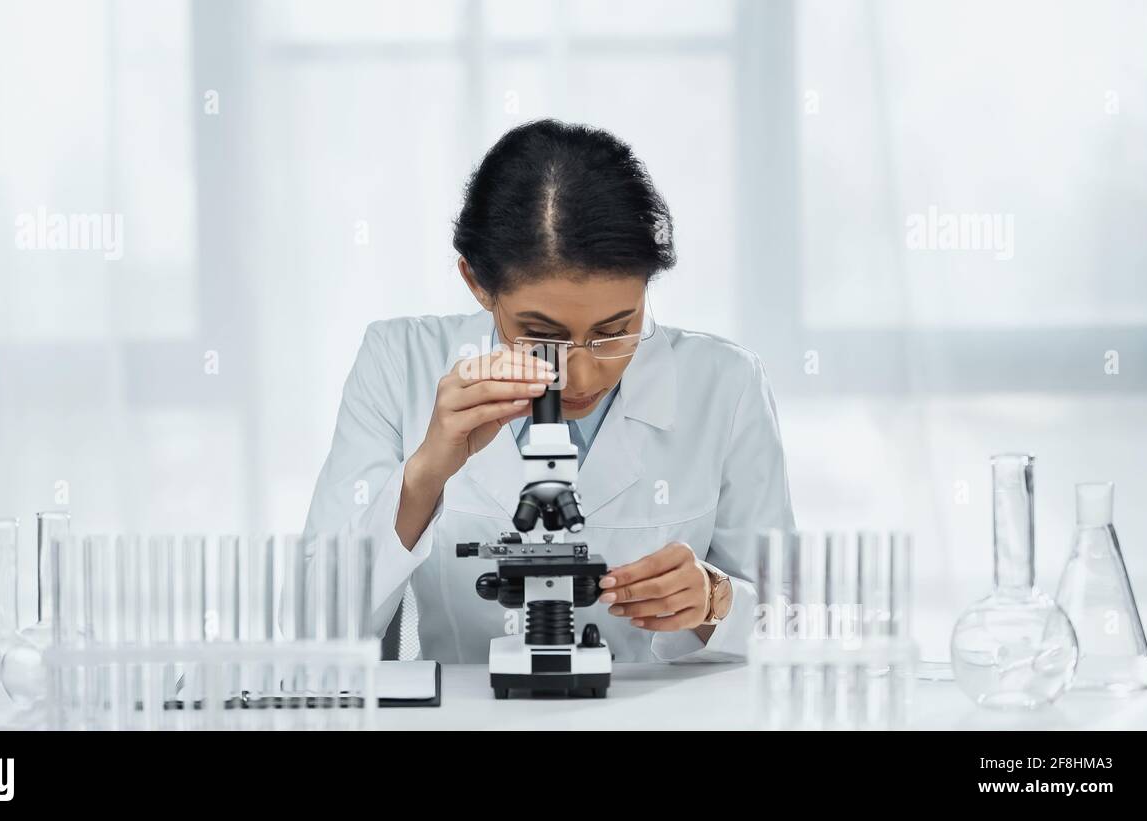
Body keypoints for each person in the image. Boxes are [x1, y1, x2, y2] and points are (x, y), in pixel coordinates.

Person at [305, 119, 794, 663]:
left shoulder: (725, 383)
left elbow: (794, 631)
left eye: (614, 331)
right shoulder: (399, 361)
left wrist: (716, 601)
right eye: (543, 335)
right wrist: (424, 474)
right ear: (476, 282)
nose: (581, 378)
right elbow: (312, 630)